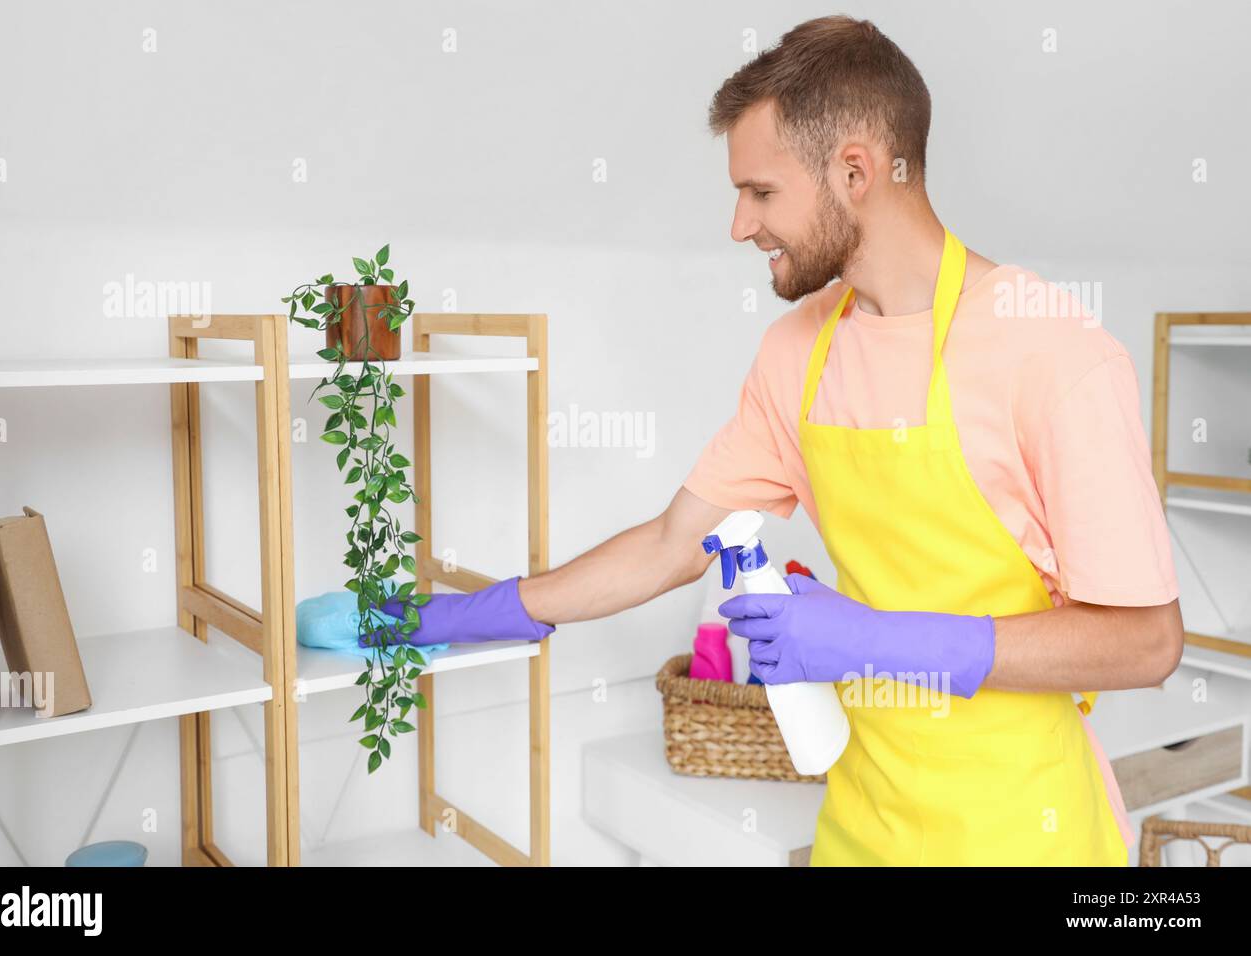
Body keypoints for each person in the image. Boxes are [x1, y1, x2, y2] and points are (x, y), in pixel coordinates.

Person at [380, 15, 1183, 866]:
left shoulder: (1048, 347)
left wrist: (870, 640)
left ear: (855, 172)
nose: (739, 225)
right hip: (862, 820)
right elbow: (668, 544)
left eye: (761, 193)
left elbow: (1146, 640)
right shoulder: (799, 350)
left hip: (1024, 829)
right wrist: (464, 615)